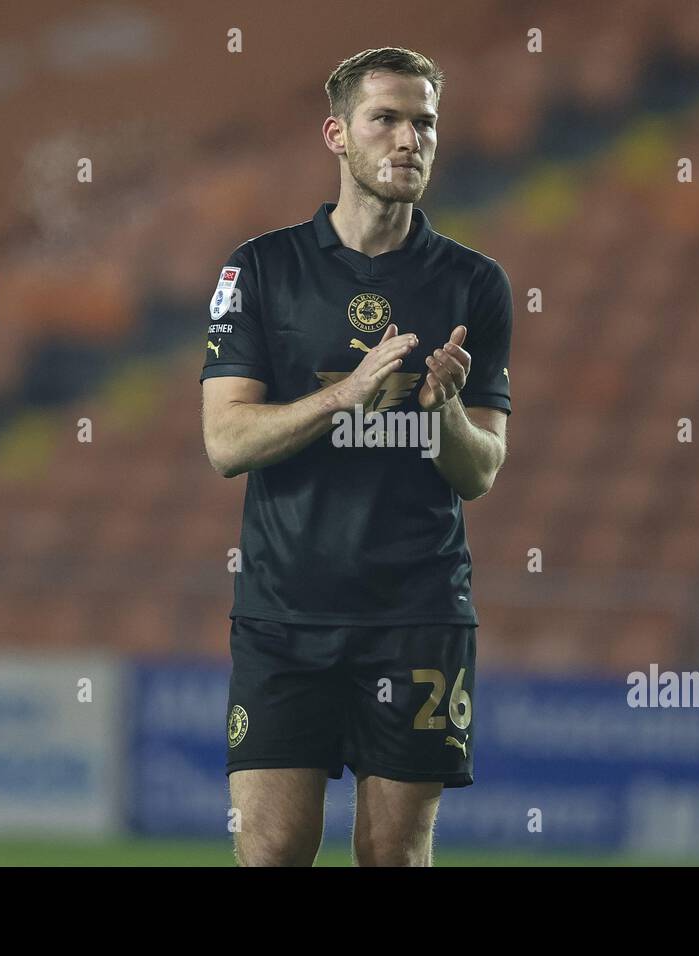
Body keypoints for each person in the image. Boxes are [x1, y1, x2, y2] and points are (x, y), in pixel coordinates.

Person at [200, 47, 512, 866]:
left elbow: (479, 471)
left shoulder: (475, 284)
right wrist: (342, 395)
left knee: (393, 859)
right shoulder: (260, 269)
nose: (410, 139)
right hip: (283, 614)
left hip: (416, 617)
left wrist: (439, 411)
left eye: (425, 123)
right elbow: (225, 442)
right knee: (269, 854)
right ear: (337, 134)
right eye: (388, 119)